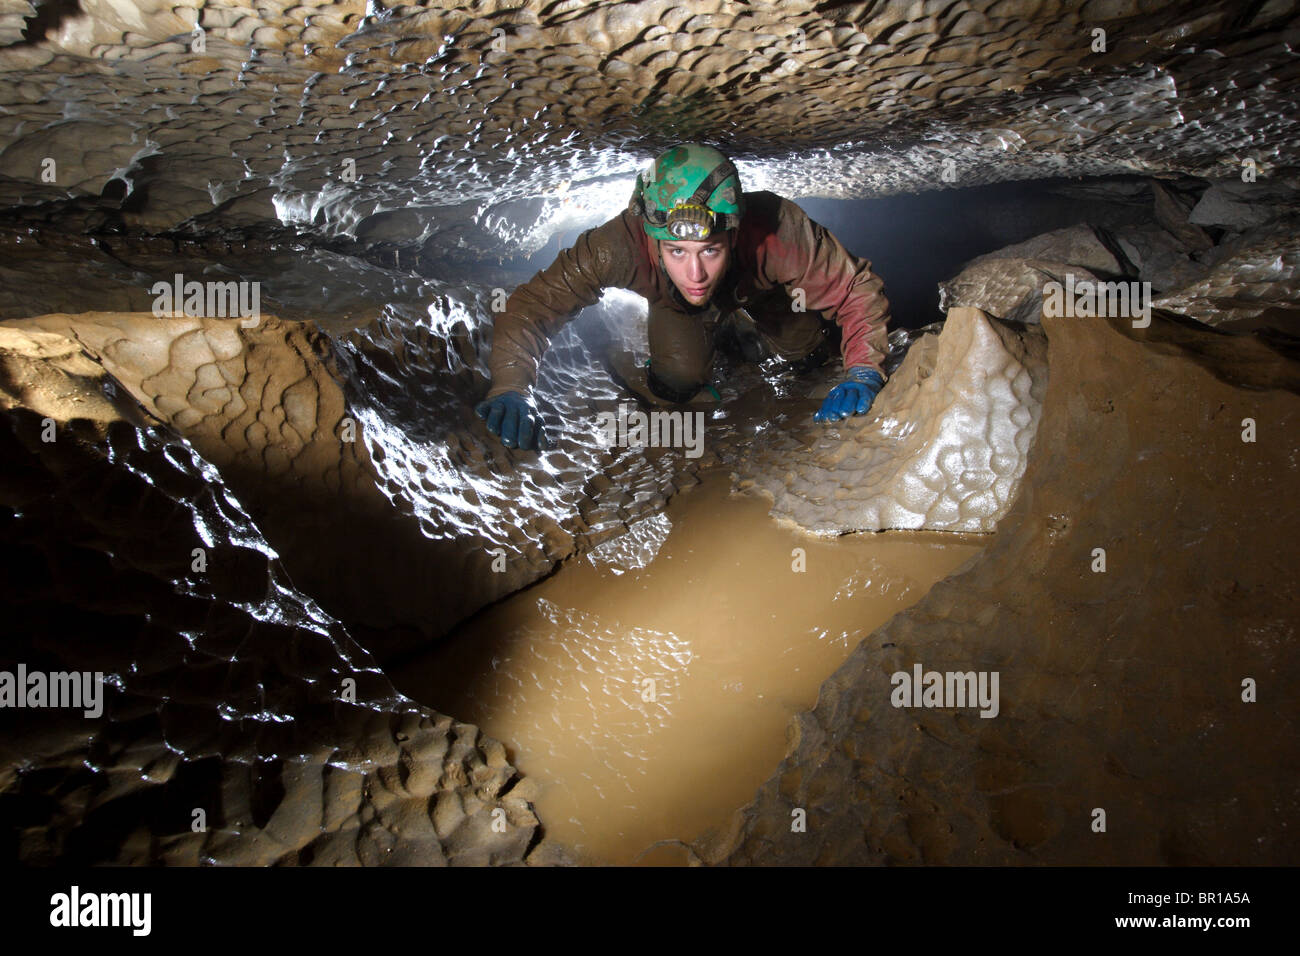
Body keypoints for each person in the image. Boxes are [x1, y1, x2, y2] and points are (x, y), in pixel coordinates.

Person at [476, 142, 891, 449]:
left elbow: (855, 288)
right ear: (652, 240)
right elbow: (534, 305)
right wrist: (512, 385)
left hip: (762, 293)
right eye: (677, 252)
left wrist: (863, 369)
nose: (695, 274)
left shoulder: (777, 228)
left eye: (710, 250)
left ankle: (753, 336)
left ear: (734, 233)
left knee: (811, 354)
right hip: (675, 309)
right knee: (677, 382)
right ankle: (717, 342)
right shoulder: (615, 245)